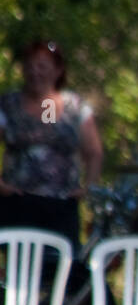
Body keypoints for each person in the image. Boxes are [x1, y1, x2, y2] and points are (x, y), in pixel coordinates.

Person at [0, 39, 103, 247]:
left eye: (42, 66)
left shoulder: (75, 107)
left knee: (58, 269)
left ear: (58, 70)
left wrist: (88, 187)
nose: (34, 72)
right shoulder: (8, 104)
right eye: (29, 66)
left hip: (61, 205)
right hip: (18, 202)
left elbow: (93, 152)